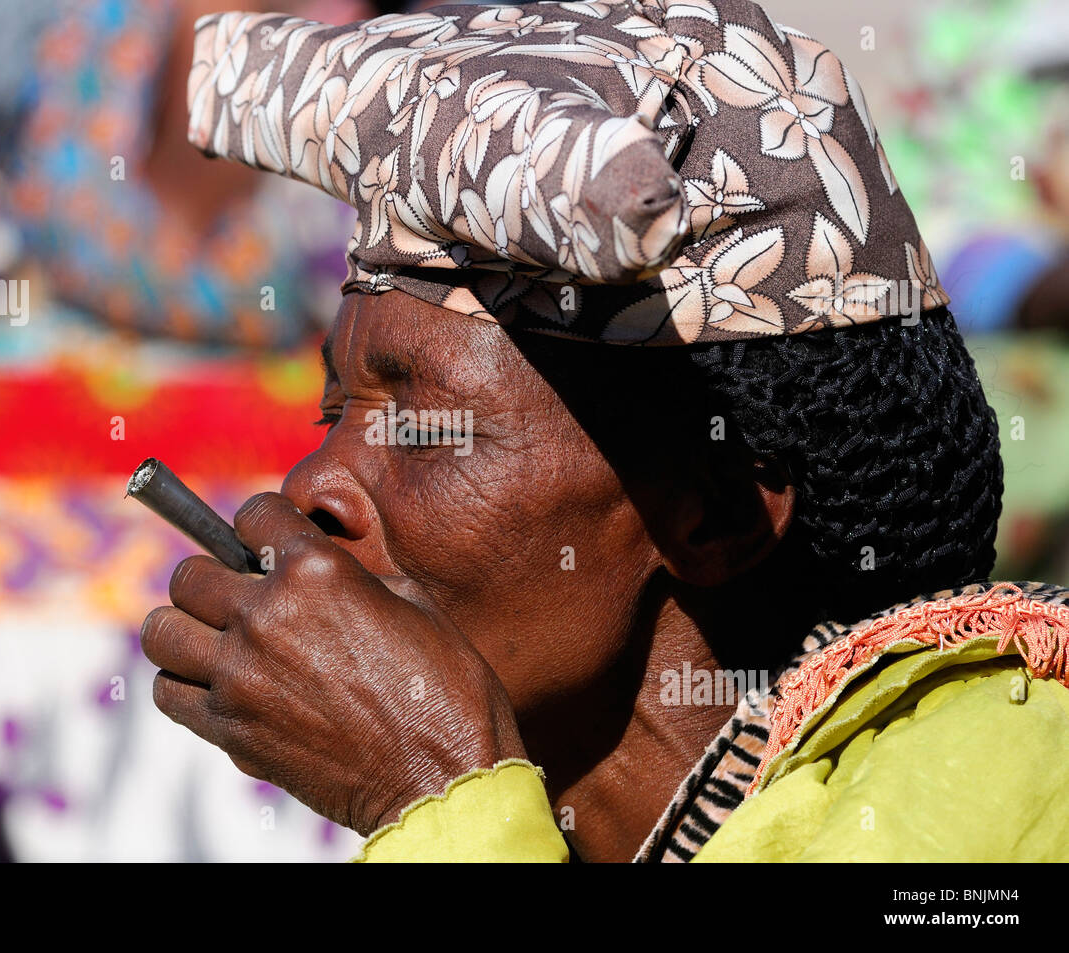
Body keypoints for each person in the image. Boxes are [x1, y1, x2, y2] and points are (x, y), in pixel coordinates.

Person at [139, 0, 1069, 862]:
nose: (312, 485)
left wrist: (427, 789)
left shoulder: (1005, 769)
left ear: (713, 512)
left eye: (426, 427)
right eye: (331, 412)